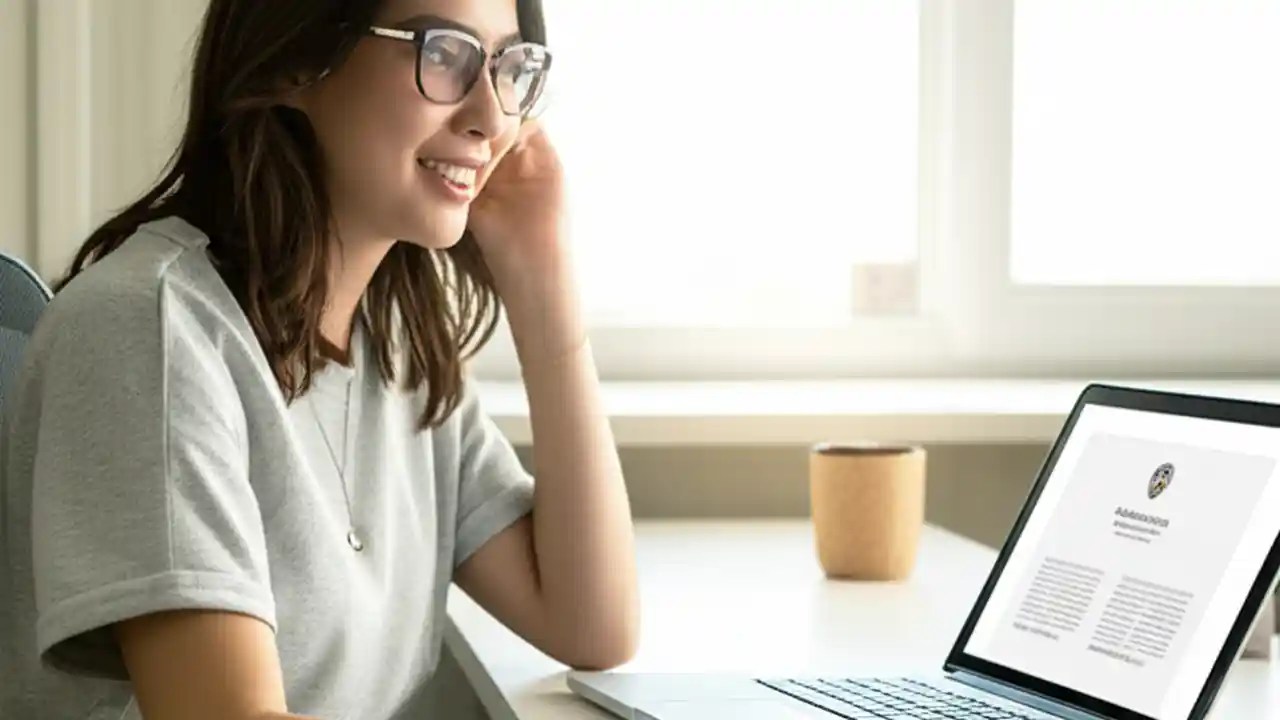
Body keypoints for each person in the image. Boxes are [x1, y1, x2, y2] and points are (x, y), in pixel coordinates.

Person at [0, 0, 640, 717]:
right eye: (442, 53)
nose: (492, 118)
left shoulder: (400, 354)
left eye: (509, 67)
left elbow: (591, 624)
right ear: (296, 60)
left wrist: (541, 277)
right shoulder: (149, 329)